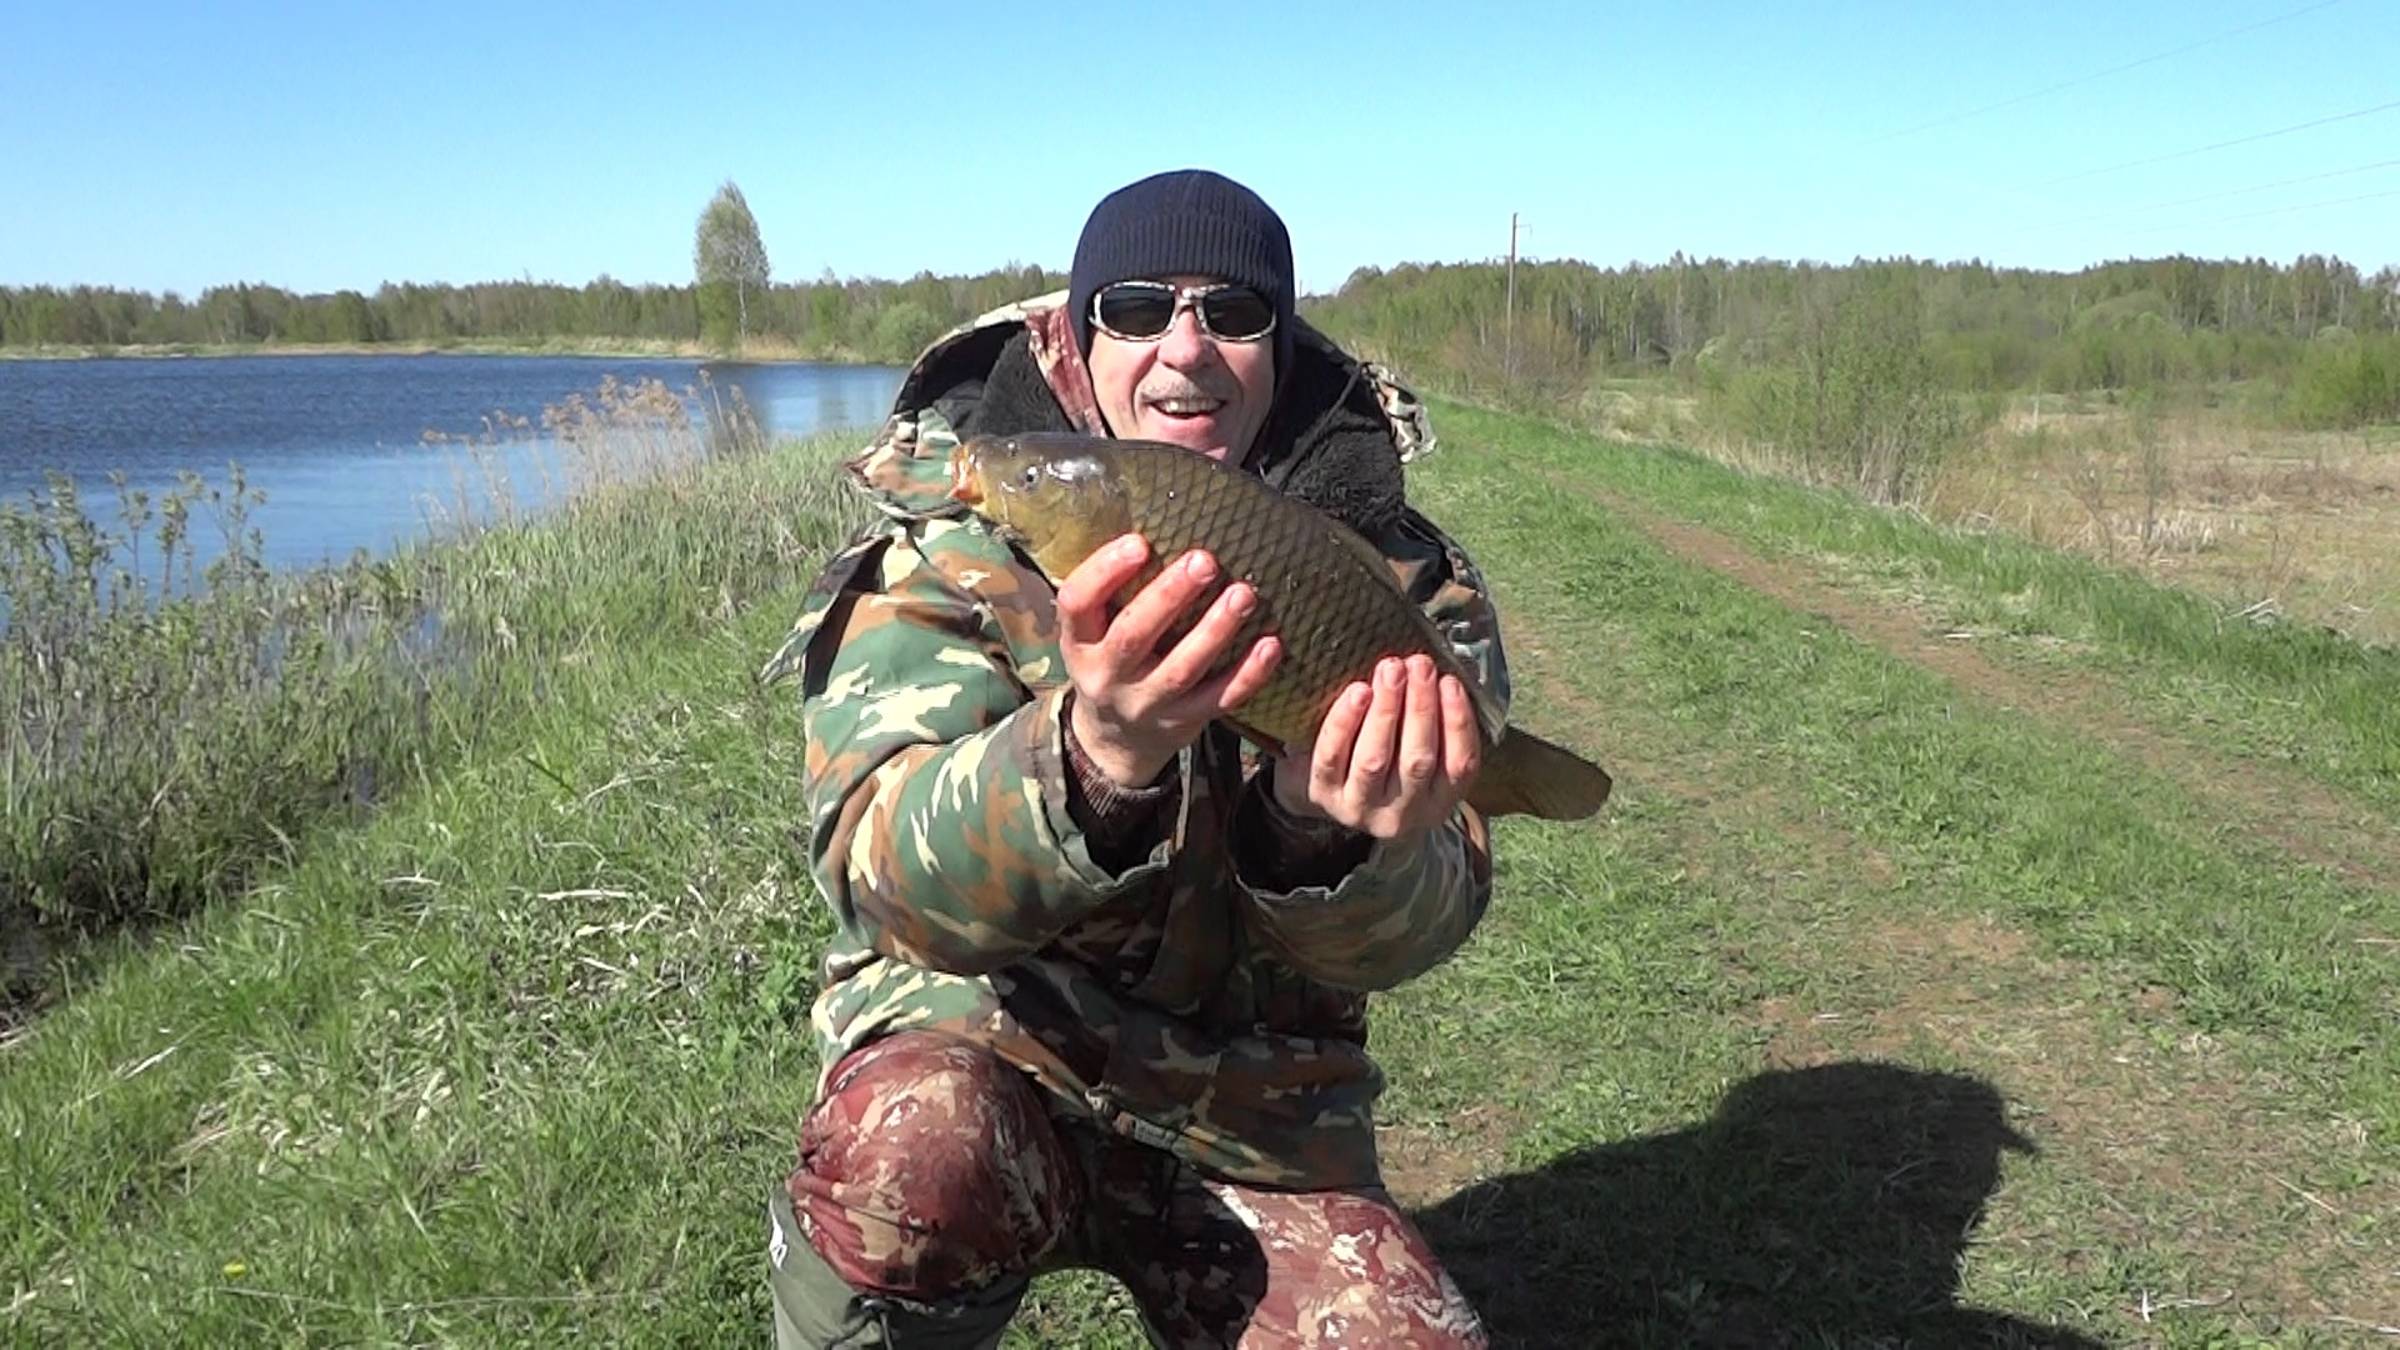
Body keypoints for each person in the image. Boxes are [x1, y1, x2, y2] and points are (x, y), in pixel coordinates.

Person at [761, 169, 1506, 1348]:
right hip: (994, 1048)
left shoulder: (1403, 584)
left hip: (1257, 1112)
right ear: (1081, 331)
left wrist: (1317, 829)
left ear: (1279, 342)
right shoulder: (955, 548)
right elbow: (879, 882)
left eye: (1235, 313)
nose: (1186, 349)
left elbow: (1422, 931)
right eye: (1139, 308)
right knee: (907, 1158)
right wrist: (1091, 755)